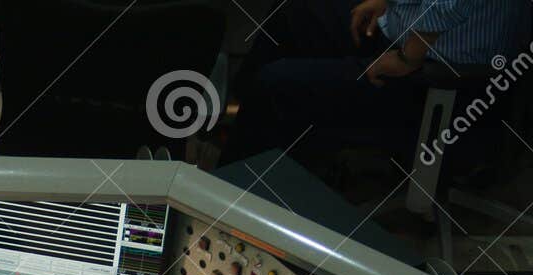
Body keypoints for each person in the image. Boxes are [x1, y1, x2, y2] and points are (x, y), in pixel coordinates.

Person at [224, 0, 530, 165]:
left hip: (440, 76)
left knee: (274, 84)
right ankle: (235, 124)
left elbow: (448, 6)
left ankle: (226, 194)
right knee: (295, 14)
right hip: (406, 36)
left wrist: (407, 58)